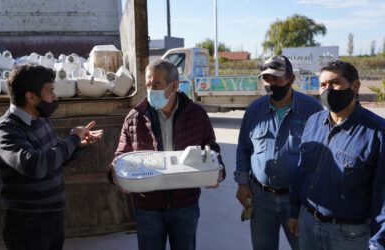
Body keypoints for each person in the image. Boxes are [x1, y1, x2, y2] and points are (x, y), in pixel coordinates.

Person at [108, 59, 225, 250]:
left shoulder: (196, 114)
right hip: (148, 206)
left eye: (156, 84)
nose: (151, 89)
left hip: (185, 204)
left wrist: (218, 170)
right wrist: (115, 173)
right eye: (148, 84)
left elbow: (211, 148)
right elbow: (121, 154)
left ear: (175, 86)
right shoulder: (135, 117)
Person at [0, 64, 103, 250]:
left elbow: (55, 159)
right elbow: (37, 165)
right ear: (30, 96)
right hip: (26, 224)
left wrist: (78, 146)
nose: (55, 97)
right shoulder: (5, 130)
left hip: (53, 217)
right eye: (50, 91)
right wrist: (73, 139)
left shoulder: (40, 120)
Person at [288, 60, 385, 250]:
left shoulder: (377, 132)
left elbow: (382, 195)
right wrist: (294, 212)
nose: (327, 90)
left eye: (334, 83)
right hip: (308, 223)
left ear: (355, 86)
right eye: (323, 85)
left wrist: (378, 242)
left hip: (349, 235)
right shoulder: (314, 122)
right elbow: (302, 172)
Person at [235, 55, 322, 250]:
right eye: (267, 79)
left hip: (298, 200)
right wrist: (242, 183)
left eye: (277, 78)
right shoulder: (254, 111)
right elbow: (243, 149)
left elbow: (320, 157)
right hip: (260, 198)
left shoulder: (313, 110)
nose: (271, 84)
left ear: (290, 79)